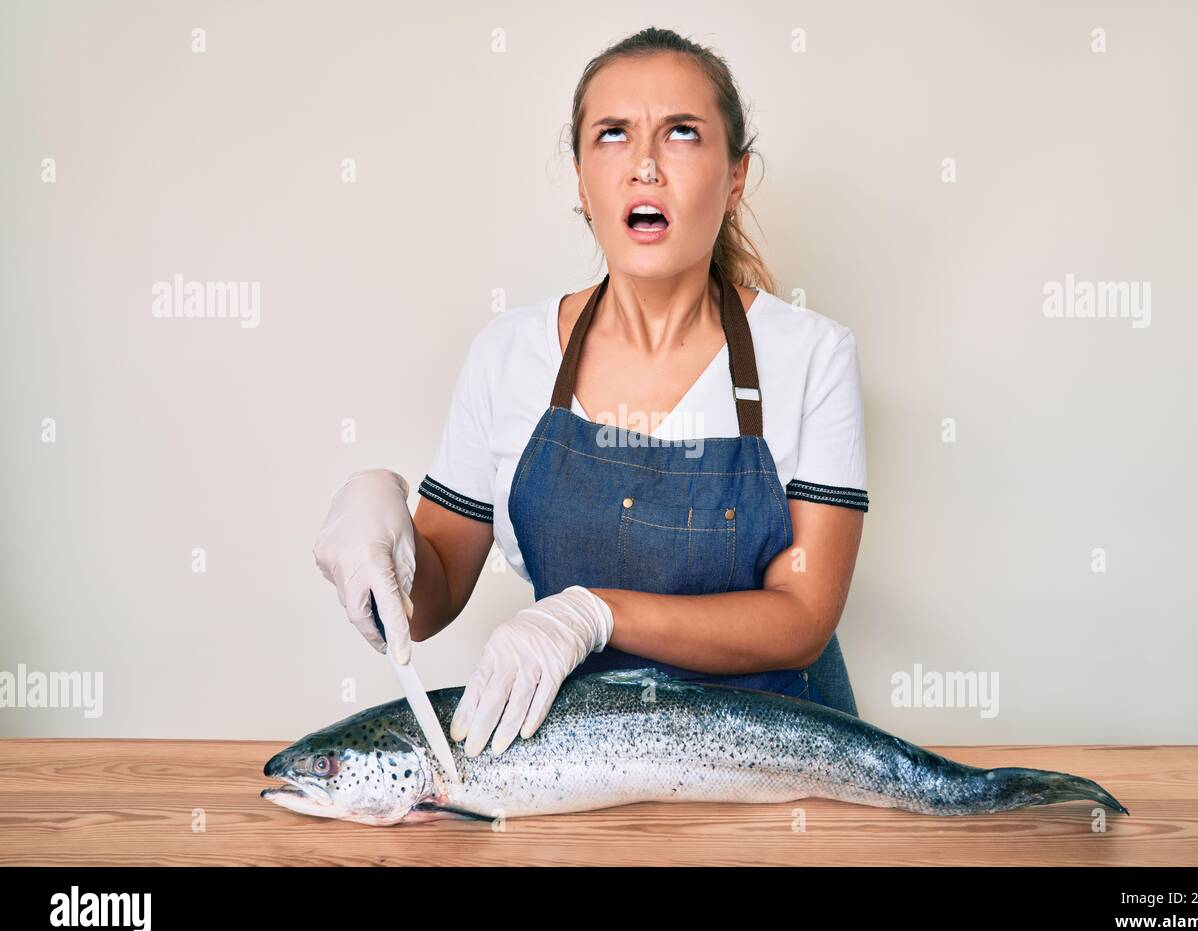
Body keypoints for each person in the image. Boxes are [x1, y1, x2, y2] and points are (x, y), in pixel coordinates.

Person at [312, 27, 869, 761]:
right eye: (613, 135)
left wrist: (595, 612)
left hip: (785, 766)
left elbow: (803, 617)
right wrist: (382, 525)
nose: (645, 165)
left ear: (735, 177)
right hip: (578, 765)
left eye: (681, 133)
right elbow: (432, 599)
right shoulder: (509, 356)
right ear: (580, 180)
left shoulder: (812, 356)